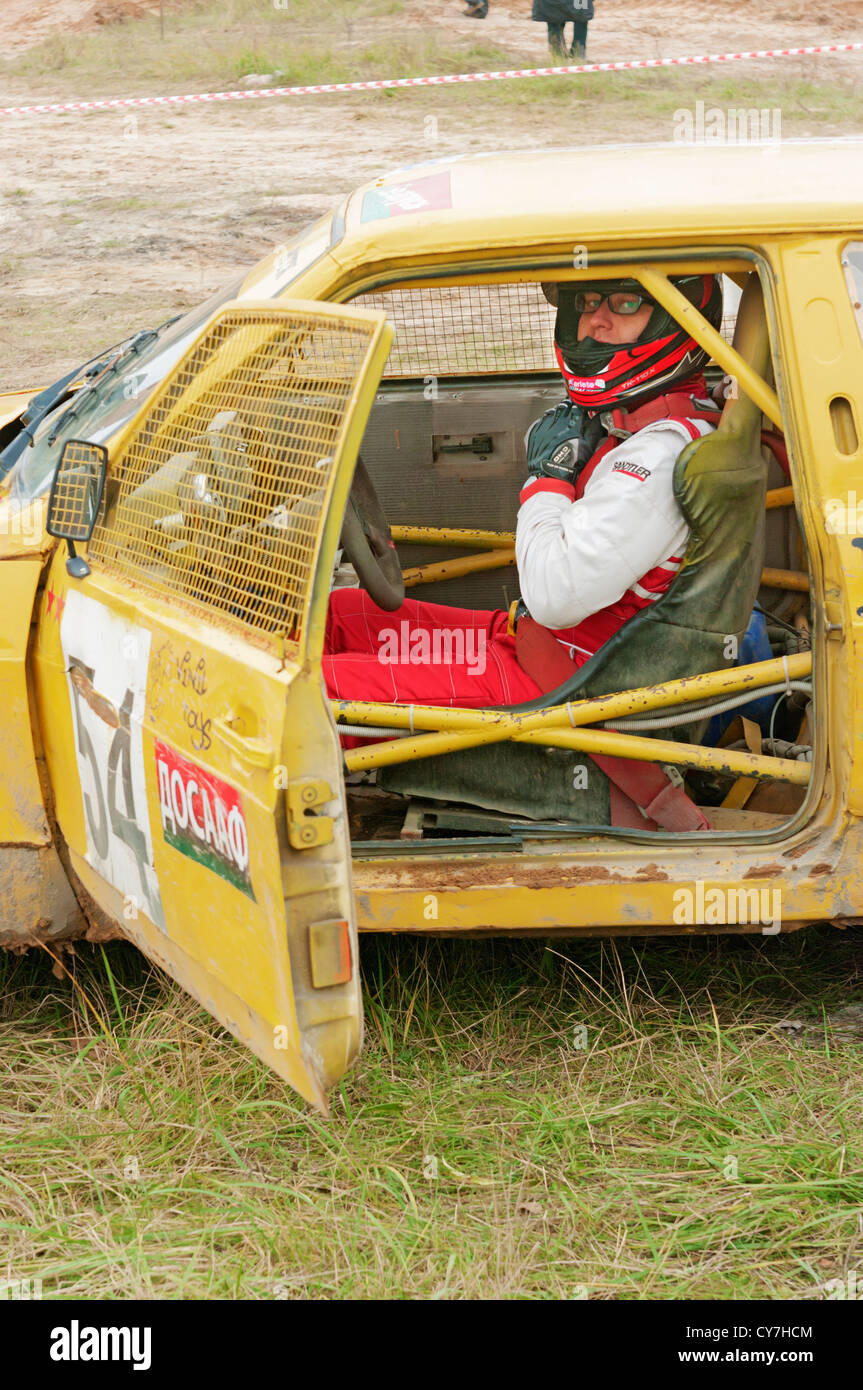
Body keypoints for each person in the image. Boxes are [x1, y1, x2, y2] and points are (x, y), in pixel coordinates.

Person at [323, 274, 723, 715]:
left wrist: (547, 480)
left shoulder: (661, 455)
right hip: (535, 646)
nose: (596, 322)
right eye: (589, 302)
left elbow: (555, 596)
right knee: (338, 615)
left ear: (679, 318)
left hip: (561, 684)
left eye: (626, 304)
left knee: (300, 688)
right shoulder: (633, 426)